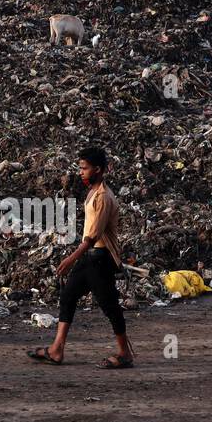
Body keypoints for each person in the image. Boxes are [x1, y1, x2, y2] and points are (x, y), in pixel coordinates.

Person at [27, 146, 134, 369]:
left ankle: (125, 353)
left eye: (84, 168)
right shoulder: (93, 192)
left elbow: (92, 237)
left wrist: (70, 259)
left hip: (100, 258)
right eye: (80, 168)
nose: (81, 172)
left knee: (109, 305)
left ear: (98, 169)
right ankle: (56, 350)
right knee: (68, 296)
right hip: (90, 257)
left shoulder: (103, 197)